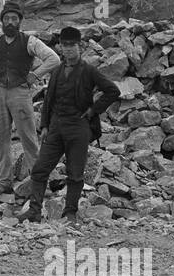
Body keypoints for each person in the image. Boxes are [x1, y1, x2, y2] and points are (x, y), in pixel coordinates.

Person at [25, 27, 121, 223]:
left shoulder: (89, 71)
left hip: (78, 127)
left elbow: (112, 91)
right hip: (56, 126)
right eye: (65, 45)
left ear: (80, 46)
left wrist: (93, 110)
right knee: (40, 169)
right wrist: (44, 126)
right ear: (61, 47)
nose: (68, 49)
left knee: (75, 173)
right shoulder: (57, 70)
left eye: (72, 45)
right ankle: (34, 211)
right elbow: (48, 99)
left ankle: (70, 213)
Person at [0, 1, 61, 194]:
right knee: (1, 137)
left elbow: (54, 59)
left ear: (20, 21)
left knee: (28, 136)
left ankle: (39, 180)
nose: (10, 22)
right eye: (6, 19)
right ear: (2, 22)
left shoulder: (29, 41)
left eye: (14, 19)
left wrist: (35, 75)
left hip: (20, 92)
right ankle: (4, 180)